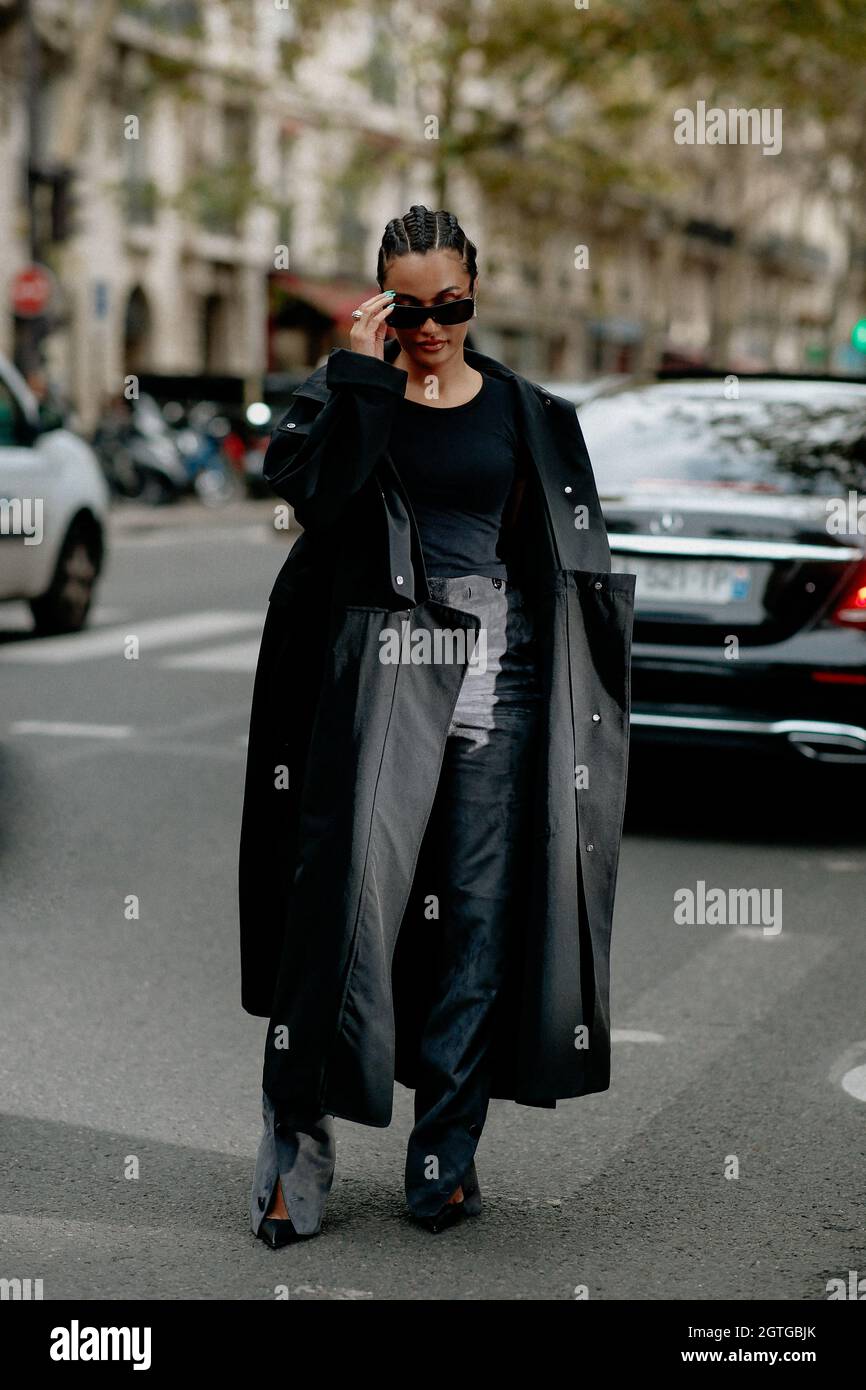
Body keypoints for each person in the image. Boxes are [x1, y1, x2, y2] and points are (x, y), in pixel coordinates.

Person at [240, 204, 634, 1246]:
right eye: (408, 309)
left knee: (474, 926)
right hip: (369, 694)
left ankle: (442, 1157)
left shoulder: (525, 410)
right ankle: (295, 1153)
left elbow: (569, 562)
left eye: (449, 305)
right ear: (380, 303)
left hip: (489, 695)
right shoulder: (344, 393)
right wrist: (361, 378)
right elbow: (310, 501)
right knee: (335, 923)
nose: (430, 327)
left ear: (475, 293)